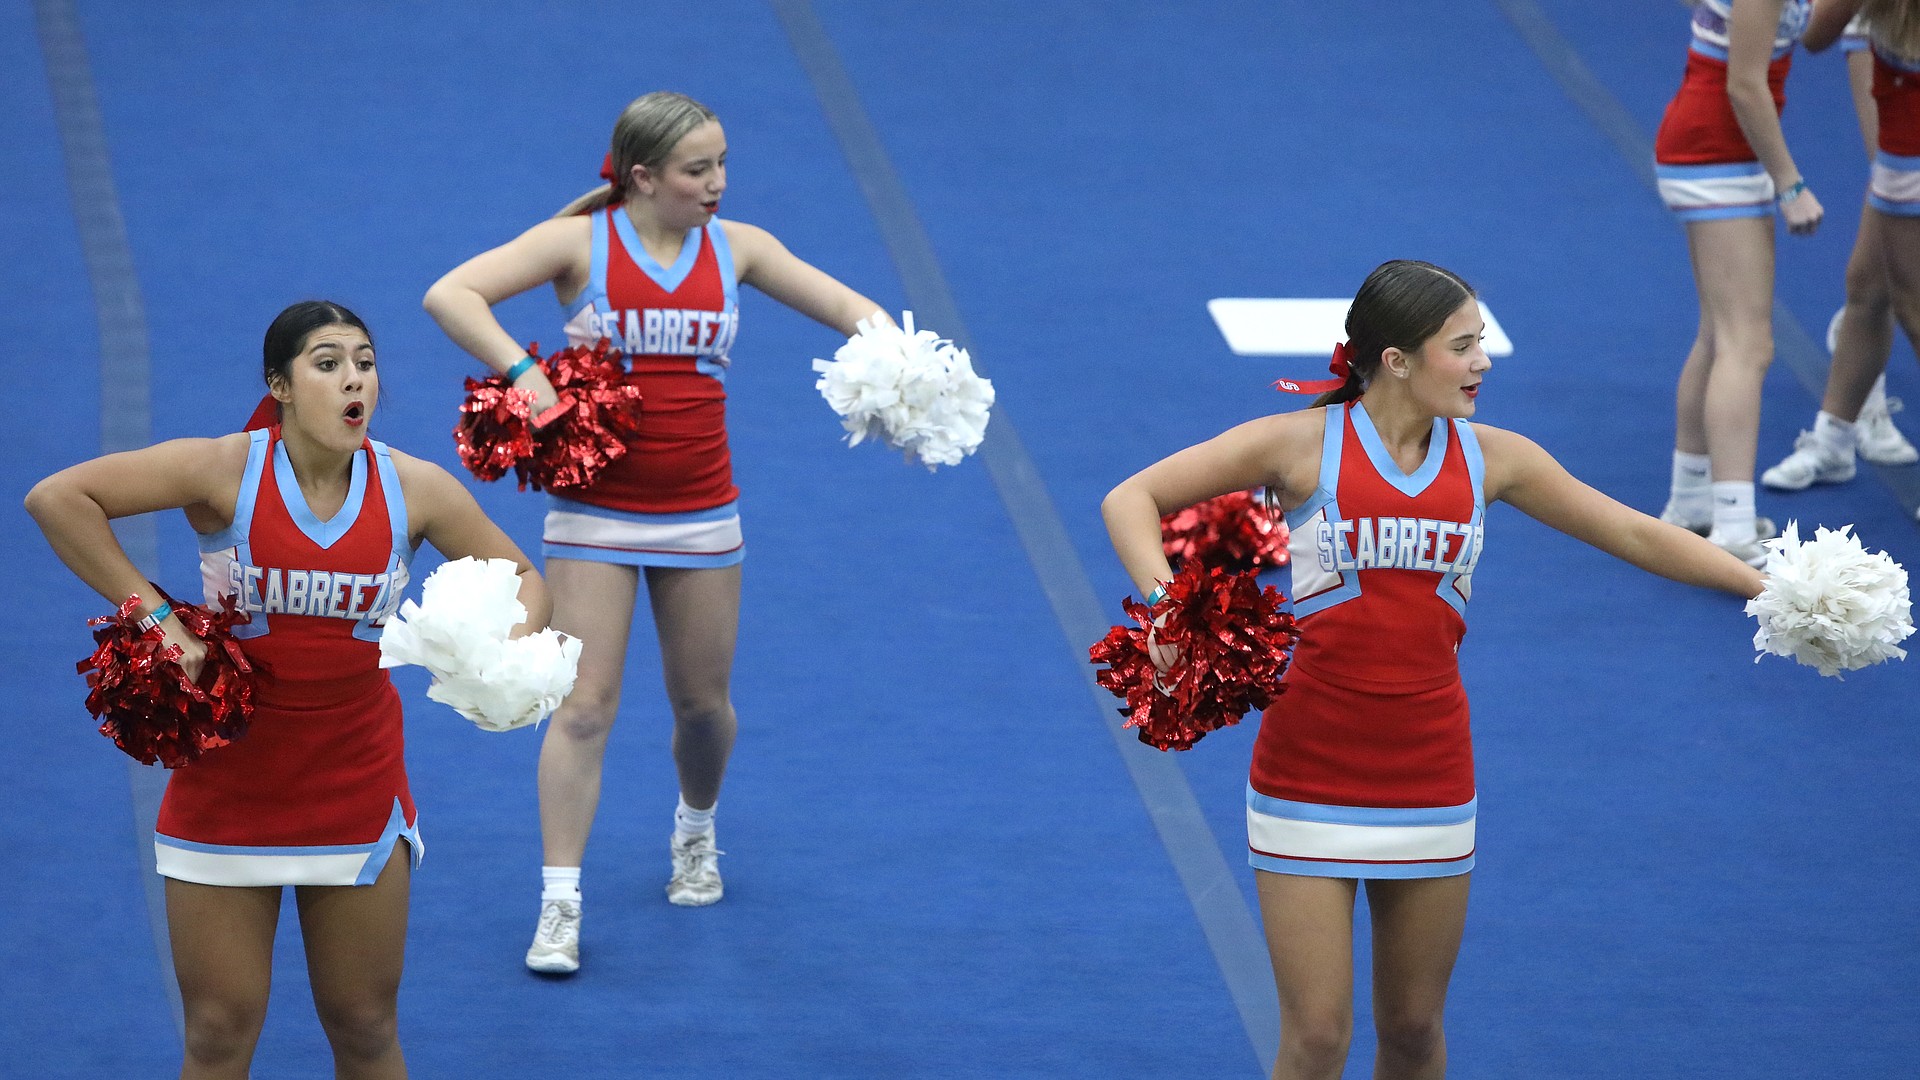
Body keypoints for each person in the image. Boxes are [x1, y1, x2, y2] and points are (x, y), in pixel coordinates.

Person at [1100, 261, 1765, 1080]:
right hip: (1308, 774)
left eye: (1481, 341)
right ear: (1396, 361)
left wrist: (1764, 588)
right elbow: (1132, 498)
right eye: (1463, 345)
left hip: (1431, 775)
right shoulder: (1301, 445)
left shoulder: (1496, 459)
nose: (1484, 361)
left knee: (1414, 1029)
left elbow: (1633, 533)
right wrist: (1170, 609)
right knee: (1316, 1038)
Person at [422, 91, 887, 975]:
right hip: (595, 515)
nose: (717, 184)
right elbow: (452, 294)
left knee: (702, 708)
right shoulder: (580, 245)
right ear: (642, 177)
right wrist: (525, 372)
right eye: (696, 170)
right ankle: (560, 902)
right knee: (584, 706)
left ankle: (695, 828)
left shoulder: (739, 249)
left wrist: (908, 365)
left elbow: (847, 308)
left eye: (722, 164)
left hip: (704, 513)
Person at [25, 301, 551, 1080]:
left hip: (357, 786)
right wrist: (156, 615)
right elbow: (58, 498)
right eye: (329, 362)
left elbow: (523, 582)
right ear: (280, 384)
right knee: (217, 1032)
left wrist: (499, 655)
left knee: (367, 1028)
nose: (355, 381)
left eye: (366, 363)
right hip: (227, 788)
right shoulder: (224, 469)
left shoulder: (415, 487)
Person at [1653, 0, 1823, 563]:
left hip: (1717, 148)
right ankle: (1731, 526)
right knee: (1747, 345)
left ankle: (1691, 501)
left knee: (1719, 334)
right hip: (1715, 153)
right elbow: (1745, 85)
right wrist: (1790, 185)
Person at [1763, 0, 1920, 499]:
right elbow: (1821, 33)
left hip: (1908, 133)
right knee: (1868, 285)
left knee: (1913, 310)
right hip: (1903, 133)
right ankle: (1833, 439)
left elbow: (1812, 33)